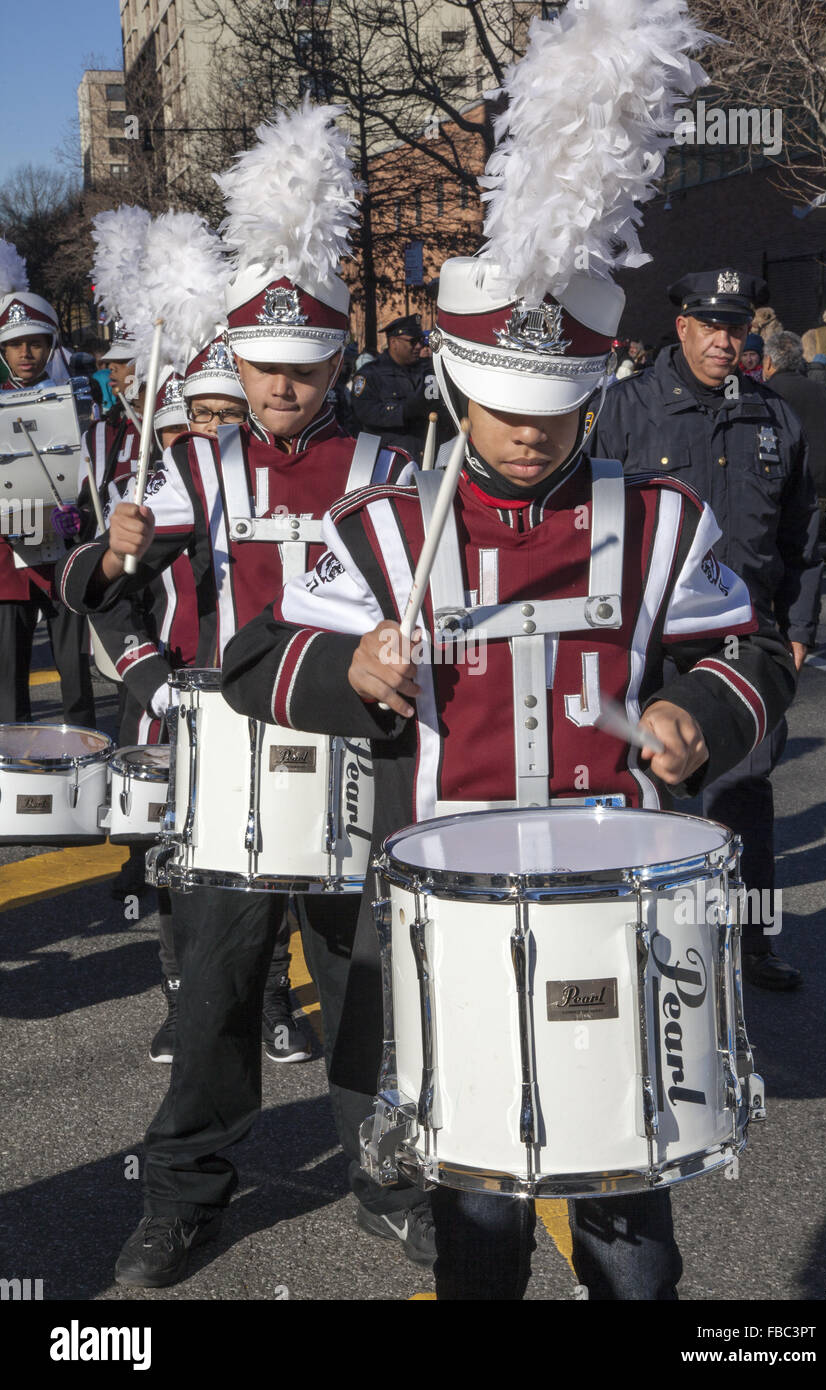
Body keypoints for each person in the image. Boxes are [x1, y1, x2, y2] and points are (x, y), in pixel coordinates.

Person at [222, 0, 796, 1301]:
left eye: (554, 407)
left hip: (618, 905)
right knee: (477, 1223)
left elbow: (750, 660)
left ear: (594, 388)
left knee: (631, 1234)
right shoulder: (382, 532)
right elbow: (254, 663)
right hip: (453, 917)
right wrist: (355, 673)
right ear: (455, 385)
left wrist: (699, 716)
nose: (527, 432)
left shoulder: (655, 524)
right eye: (501, 403)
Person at [57, 104, 421, 1288]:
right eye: (260, 365)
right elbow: (94, 594)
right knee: (214, 1001)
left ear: (333, 368)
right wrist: (117, 560)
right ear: (236, 363)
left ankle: (385, 1176)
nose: (278, 383)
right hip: (224, 771)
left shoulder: (386, 467)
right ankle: (182, 1199)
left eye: (301, 367)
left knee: (368, 996)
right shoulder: (191, 464)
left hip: (353, 755)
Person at [593, 268, 823, 991]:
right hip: (651, 640)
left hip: (744, 641)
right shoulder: (623, 409)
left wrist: (798, 630)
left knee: (747, 793)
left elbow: (802, 536)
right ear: (683, 326)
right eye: (712, 326)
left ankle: (753, 943)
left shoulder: (773, 415)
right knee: (648, 787)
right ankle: (644, 946)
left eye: (738, 327)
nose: (727, 341)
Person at [0, 239, 95, 727]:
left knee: (76, 680)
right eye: (14, 344)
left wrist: (83, 509)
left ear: (51, 345)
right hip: (5, 563)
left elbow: (97, 471)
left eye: (35, 342)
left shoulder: (79, 403)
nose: (25, 353)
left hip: (65, 551)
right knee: (7, 684)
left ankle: (83, 767)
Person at [762, 329, 826, 504]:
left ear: (768, 362)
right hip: (820, 490)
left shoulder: (764, 394)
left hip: (778, 493)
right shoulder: (822, 391)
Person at [350, 313, 442, 455]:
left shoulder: (429, 371)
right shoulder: (371, 374)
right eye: (413, 341)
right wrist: (403, 411)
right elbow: (364, 412)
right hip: (389, 457)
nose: (418, 346)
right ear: (393, 342)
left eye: (421, 341)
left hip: (429, 454)